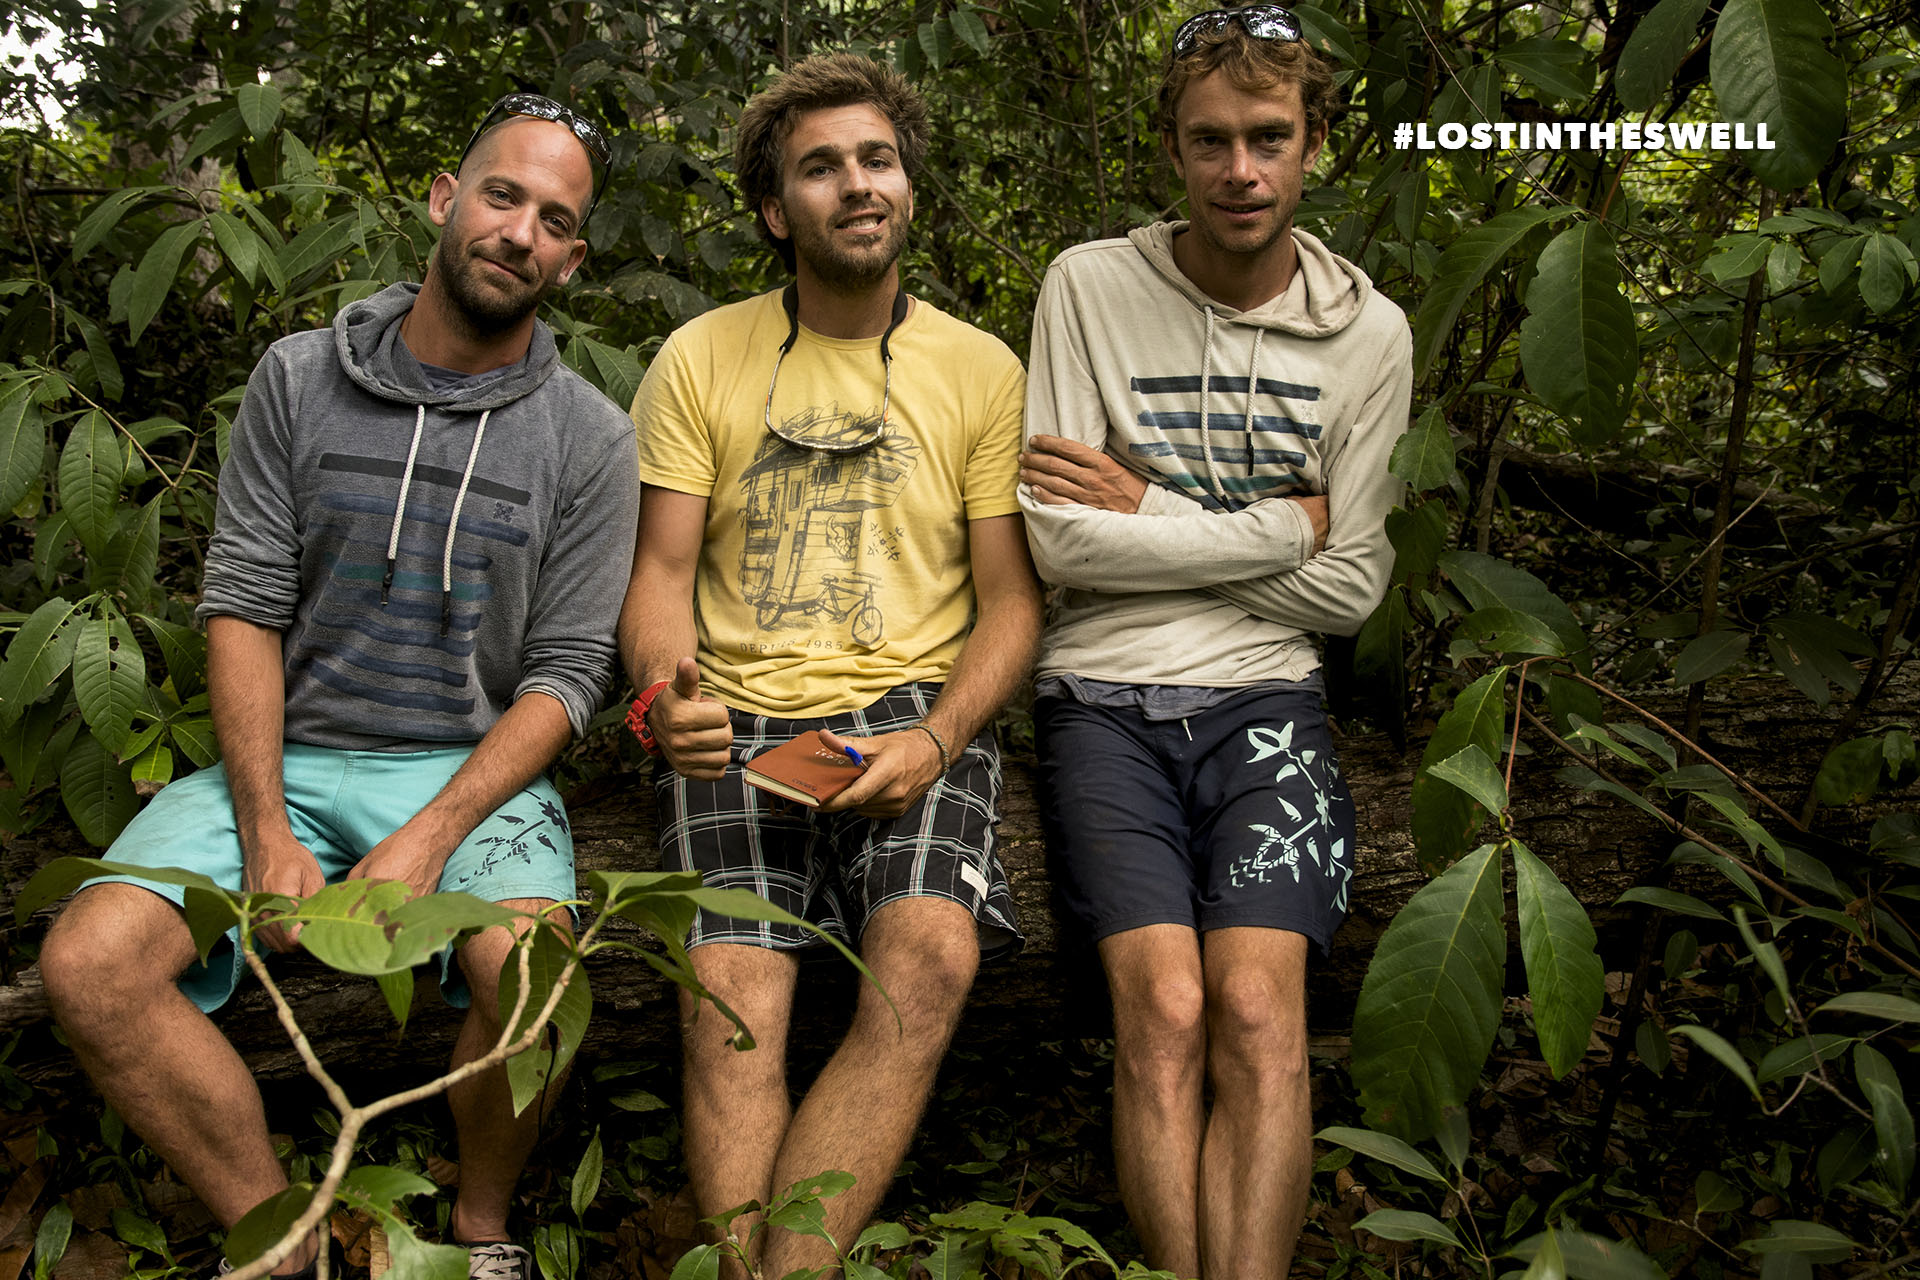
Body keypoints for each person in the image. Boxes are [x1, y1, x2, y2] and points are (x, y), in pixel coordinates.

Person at [37, 94, 638, 1280]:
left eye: (553, 219)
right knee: (88, 966)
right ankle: (283, 1237)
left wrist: (430, 832)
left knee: (538, 985)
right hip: (294, 755)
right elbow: (246, 603)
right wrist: (264, 821)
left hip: (467, 768)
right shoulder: (298, 378)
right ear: (443, 197)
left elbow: (569, 675)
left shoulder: (591, 435)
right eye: (503, 194)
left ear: (572, 259)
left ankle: (478, 1228)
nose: (520, 232)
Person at [619, 52, 1042, 1279]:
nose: (857, 184)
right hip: (741, 710)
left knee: (928, 956)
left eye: (876, 159)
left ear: (906, 183)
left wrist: (937, 736)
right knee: (734, 993)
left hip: (911, 709)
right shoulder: (702, 356)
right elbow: (658, 572)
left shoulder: (980, 368)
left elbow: (1013, 599)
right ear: (774, 207)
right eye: (821, 167)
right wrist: (663, 691)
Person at [1017, 8, 1413, 1277]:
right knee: (1168, 1010)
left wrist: (1156, 508)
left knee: (1256, 1009)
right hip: (1100, 695)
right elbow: (1063, 548)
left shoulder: (1370, 333)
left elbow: (1351, 590)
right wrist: (1271, 530)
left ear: (1313, 148)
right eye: (1210, 141)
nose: (1240, 169)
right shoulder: (1089, 285)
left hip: (1269, 703)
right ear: (1173, 152)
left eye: (1268, 138)